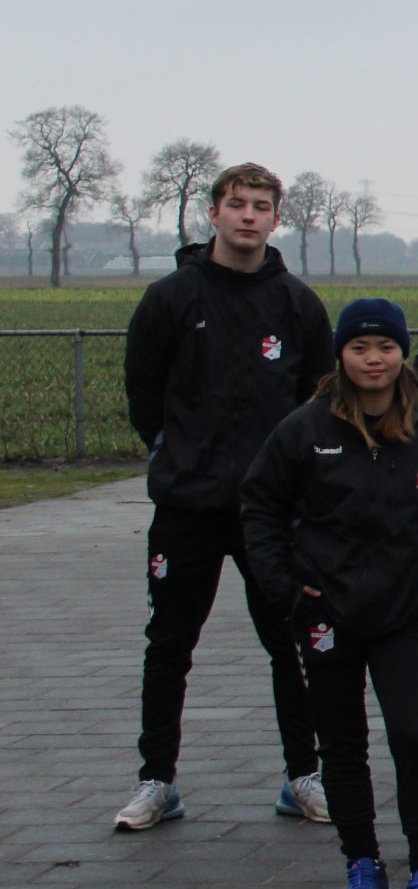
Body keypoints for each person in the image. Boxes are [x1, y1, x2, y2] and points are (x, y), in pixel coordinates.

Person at [238, 299, 418, 889]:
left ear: (401, 352)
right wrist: (286, 590)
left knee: (416, 737)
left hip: (409, 611)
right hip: (327, 613)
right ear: (341, 355)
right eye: (360, 348)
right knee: (342, 745)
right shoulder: (306, 427)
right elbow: (260, 506)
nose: (373, 359)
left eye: (384, 347)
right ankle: (362, 865)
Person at [116, 162, 334, 833]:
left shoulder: (297, 304)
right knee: (169, 642)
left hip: (273, 513)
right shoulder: (170, 298)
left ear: (276, 219)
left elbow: (318, 400)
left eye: (261, 205)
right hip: (187, 505)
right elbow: (145, 398)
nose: (248, 215)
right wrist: (180, 455)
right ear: (212, 213)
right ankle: (157, 781)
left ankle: (303, 774)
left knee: (294, 642)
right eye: (236, 203)